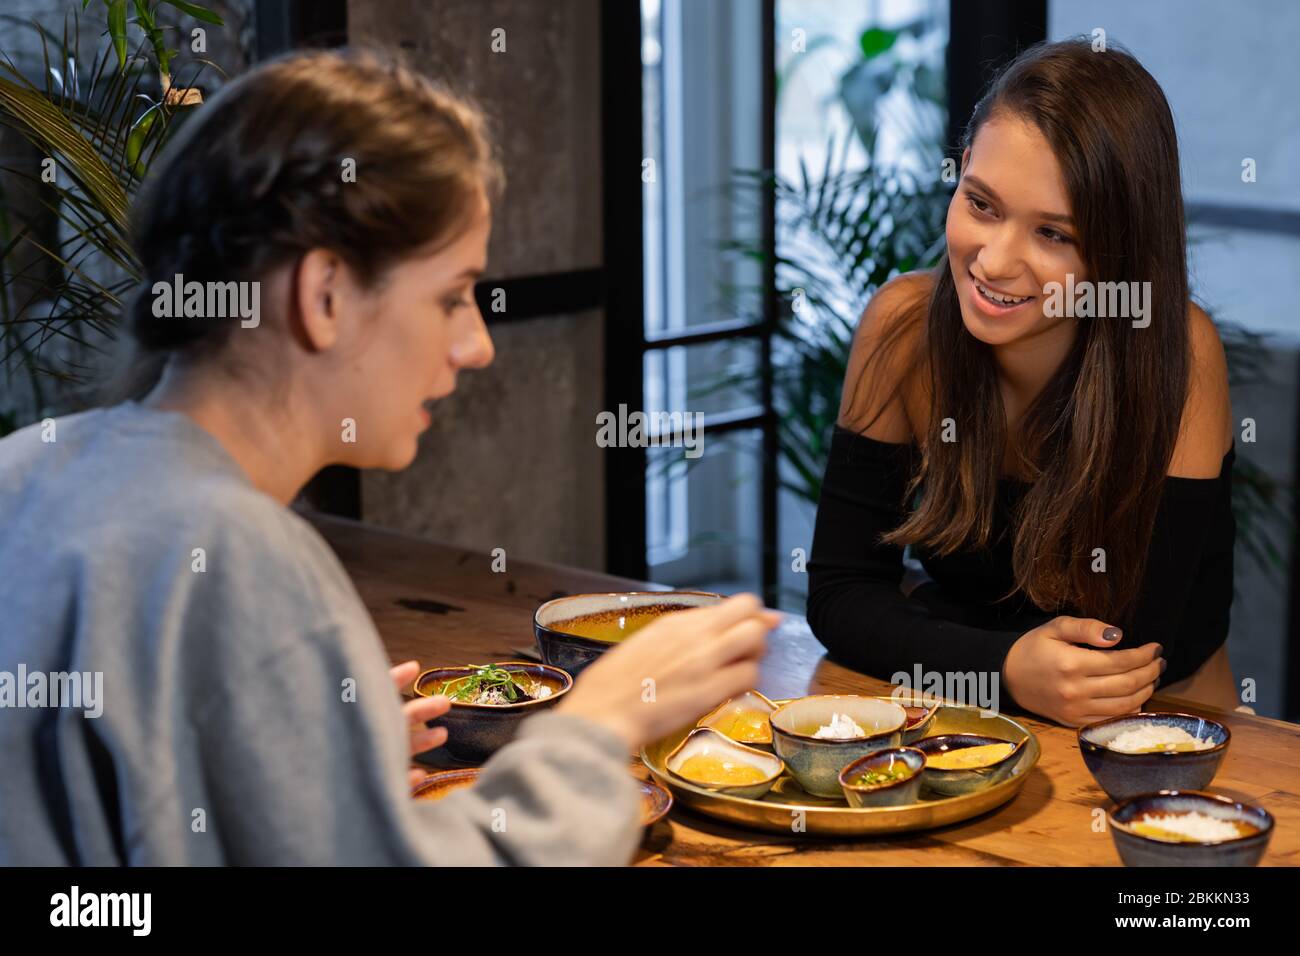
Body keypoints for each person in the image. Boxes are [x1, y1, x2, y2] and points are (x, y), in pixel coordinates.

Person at [0, 49, 776, 865]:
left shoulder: (26, 467)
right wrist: (598, 726)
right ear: (325, 295)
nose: (476, 346)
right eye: (450, 295)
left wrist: (318, 758)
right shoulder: (235, 553)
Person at [807, 39, 1238, 727]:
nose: (996, 260)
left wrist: (929, 631)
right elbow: (840, 594)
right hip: (969, 726)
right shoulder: (903, 330)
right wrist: (1003, 668)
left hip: (1162, 743)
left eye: (1053, 235)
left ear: (1121, 253)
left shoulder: (1180, 353)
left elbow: (1121, 657)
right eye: (981, 204)